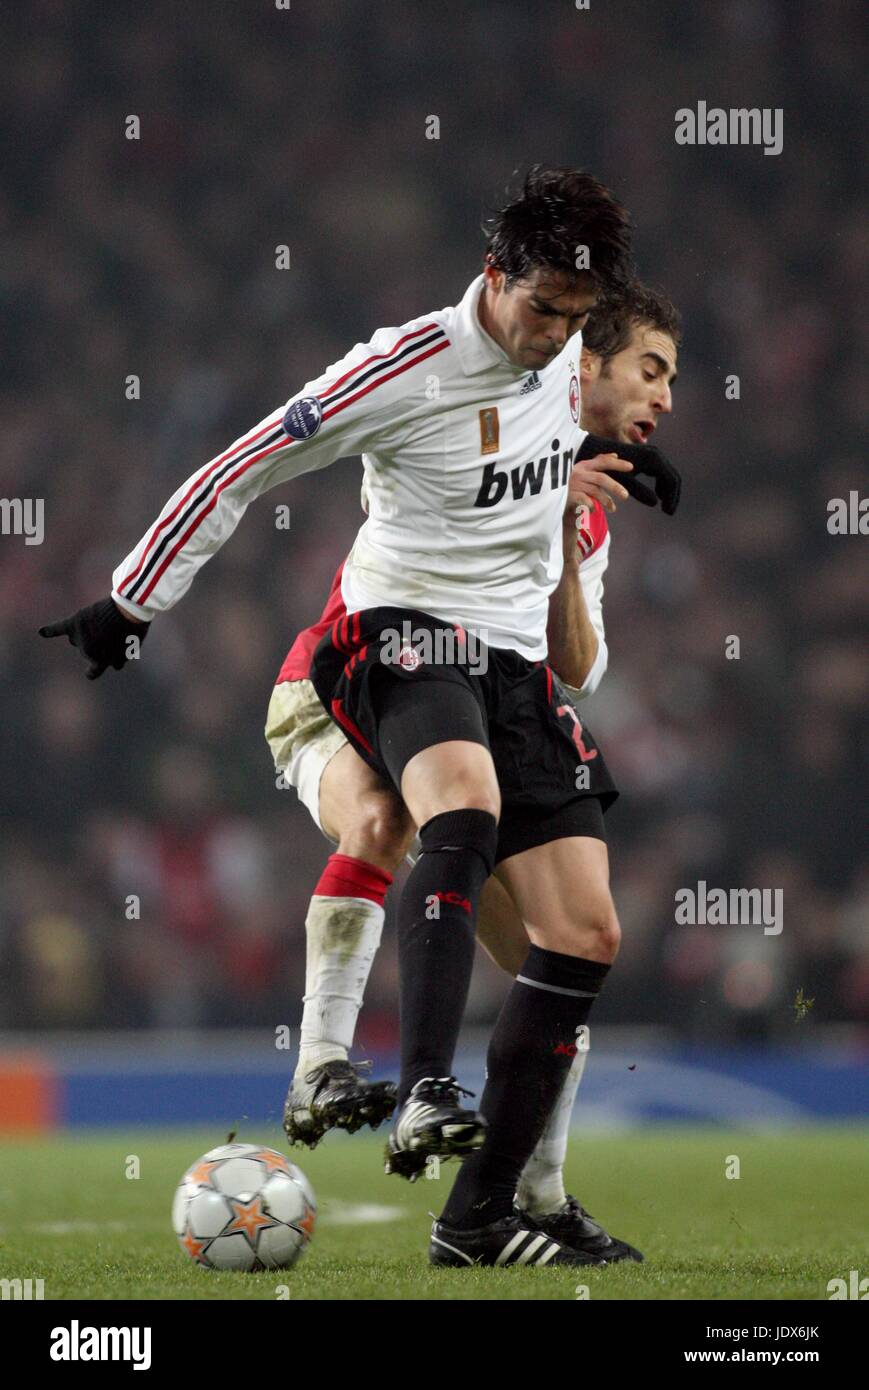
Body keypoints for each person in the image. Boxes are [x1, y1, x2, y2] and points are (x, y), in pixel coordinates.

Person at [40, 165, 679, 1267]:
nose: (553, 343)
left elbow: (564, 432)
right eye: (541, 314)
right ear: (492, 277)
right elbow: (243, 464)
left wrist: (607, 455)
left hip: (512, 672)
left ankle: (493, 1212)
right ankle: (413, 1078)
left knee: (576, 937)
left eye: (576, 326)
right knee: (443, 814)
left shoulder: (566, 358)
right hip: (399, 635)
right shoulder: (403, 368)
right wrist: (132, 599)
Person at [267, 282, 679, 1268]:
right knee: (379, 821)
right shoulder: (485, 402)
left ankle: (530, 1193)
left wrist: (570, 544)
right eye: (651, 371)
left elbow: (575, 665)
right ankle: (323, 1064)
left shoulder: (588, 504)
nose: (664, 398)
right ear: (584, 364)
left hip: (476, 718)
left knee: (558, 951)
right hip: (343, 688)